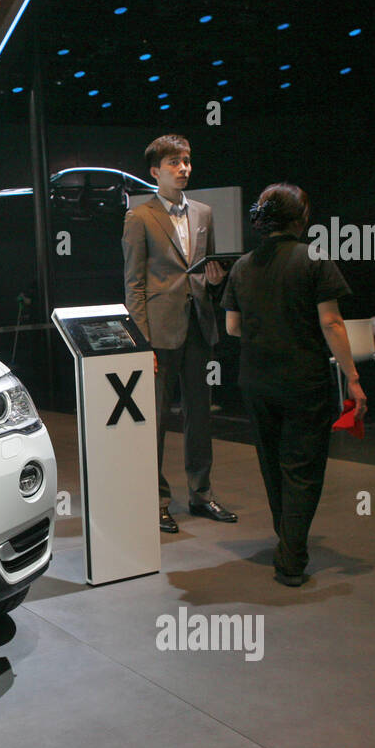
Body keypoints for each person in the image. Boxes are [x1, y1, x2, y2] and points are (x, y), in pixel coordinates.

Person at [222, 183, 363, 586]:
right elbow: (332, 322)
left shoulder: (243, 266)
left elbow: (233, 327)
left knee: (272, 464)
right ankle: (291, 557)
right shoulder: (313, 258)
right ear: (301, 219)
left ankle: (287, 541)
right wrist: (353, 378)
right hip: (304, 379)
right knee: (301, 468)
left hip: (256, 380)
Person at [123, 133, 235, 533]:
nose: (183, 168)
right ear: (156, 171)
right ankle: (155, 500)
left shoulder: (203, 213)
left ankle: (201, 494)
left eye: (186, 161)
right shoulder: (139, 216)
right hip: (158, 331)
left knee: (199, 416)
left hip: (198, 325)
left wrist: (216, 279)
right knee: (153, 421)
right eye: (174, 162)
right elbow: (133, 283)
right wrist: (141, 341)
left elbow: (208, 269)